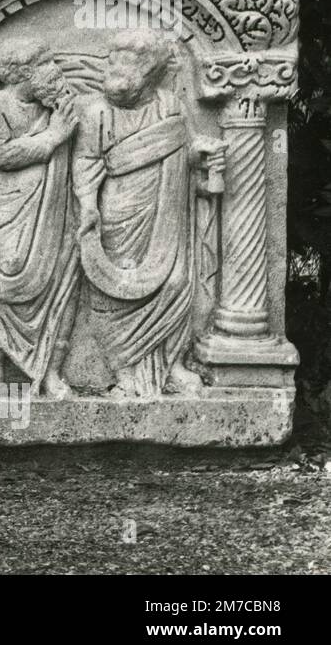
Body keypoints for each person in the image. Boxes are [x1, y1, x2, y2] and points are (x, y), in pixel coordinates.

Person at [73, 30, 224, 398]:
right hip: (119, 211)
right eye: (113, 59)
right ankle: (123, 371)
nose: (116, 68)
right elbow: (86, 162)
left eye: (128, 61)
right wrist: (89, 206)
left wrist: (202, 157)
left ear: (150, 70)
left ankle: (170, 366)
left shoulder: (170, 105)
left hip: (168, 209)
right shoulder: (96, 113)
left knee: (173, 284)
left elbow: (182, 153)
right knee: (116, 289)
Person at [0, 39, 81, 399]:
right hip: (4, 211)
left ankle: (51, 369)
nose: (54, 68)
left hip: (53, 210)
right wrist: (52, 137)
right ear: (23, 71)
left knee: (58, 283)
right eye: (45, 62)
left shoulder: (57, 104)